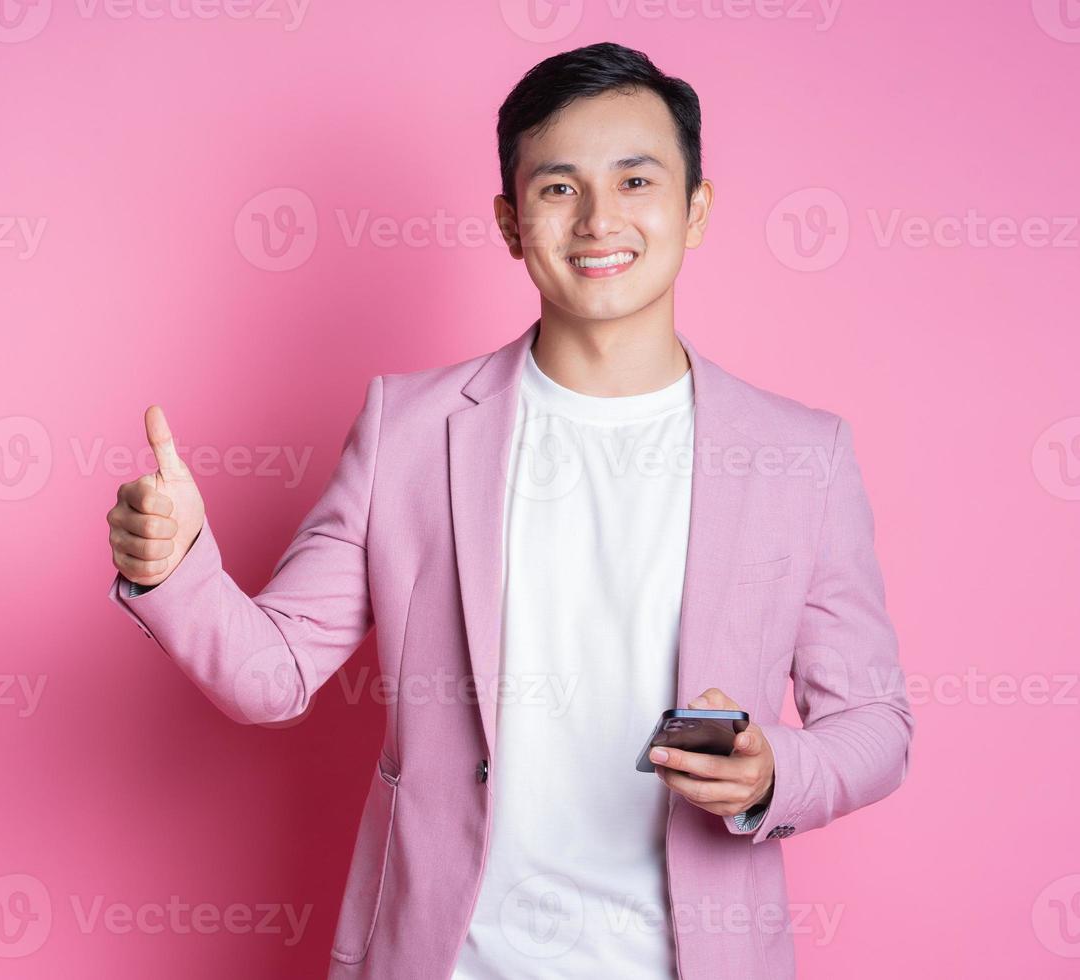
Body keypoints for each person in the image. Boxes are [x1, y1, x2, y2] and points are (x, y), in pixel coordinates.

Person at [106, 41, 914, 980]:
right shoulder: (407, 428)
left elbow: (874, 724)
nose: (599, 218)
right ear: (510, 220)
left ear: (696, 210)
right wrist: (176, 567)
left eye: (637, 179)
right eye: (560, 188)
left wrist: (774, 772)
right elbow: (274, 672)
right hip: (451, 960)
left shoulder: (798, 456)